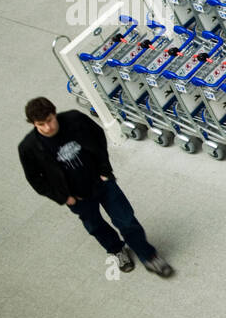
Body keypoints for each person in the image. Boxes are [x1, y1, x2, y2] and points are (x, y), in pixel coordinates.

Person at [18, 98, 174, 278]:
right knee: (95, 226)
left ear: (55, 113)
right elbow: (35, 179)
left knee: (127, 220)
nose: (48, 128)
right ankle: (116, 250)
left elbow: (98, 136)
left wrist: (105, 170)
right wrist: (64, 198)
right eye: (41, 125)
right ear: (33, 124)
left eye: (50, 120)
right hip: (77, 197)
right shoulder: (29, 148)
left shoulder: (74, 120)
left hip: (102, 184)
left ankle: (148, 255)